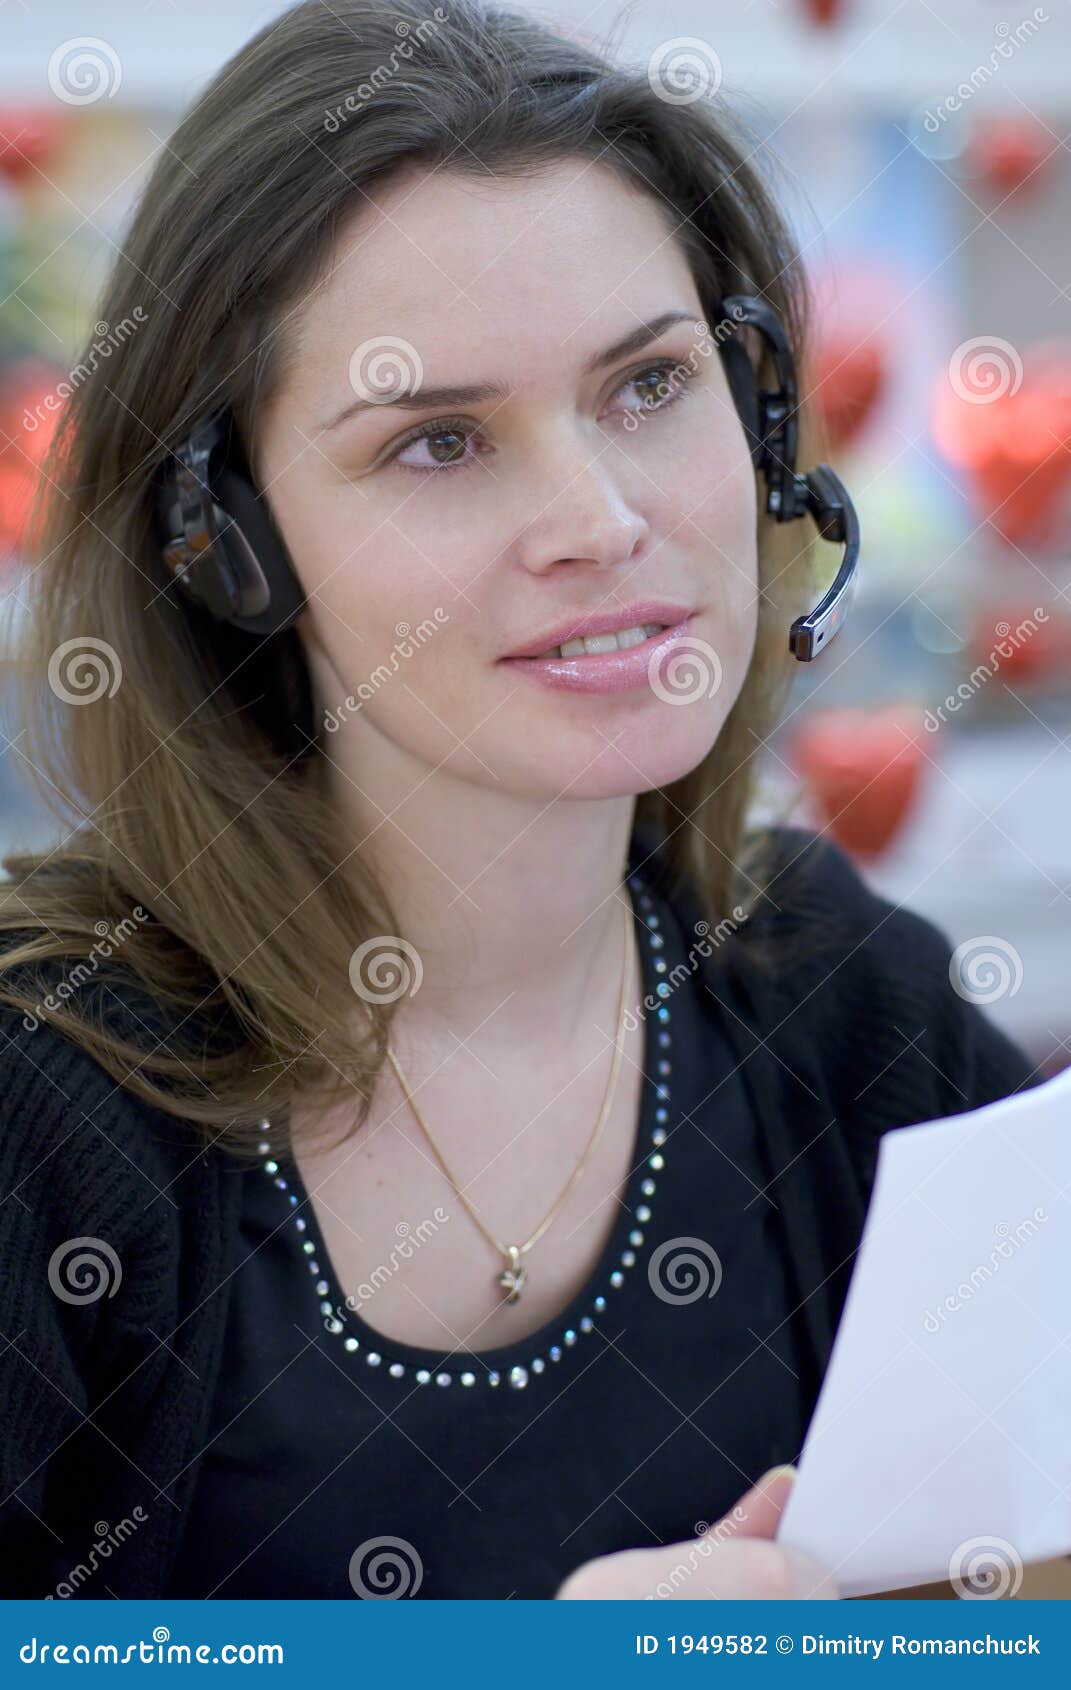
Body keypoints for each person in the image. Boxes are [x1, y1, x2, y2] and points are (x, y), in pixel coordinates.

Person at [0, 0, 1041, 1601]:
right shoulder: (42, 1105)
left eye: (647, 387)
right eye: (438, 442)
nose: (602, 517)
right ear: (227, 544)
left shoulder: (851, 1008)